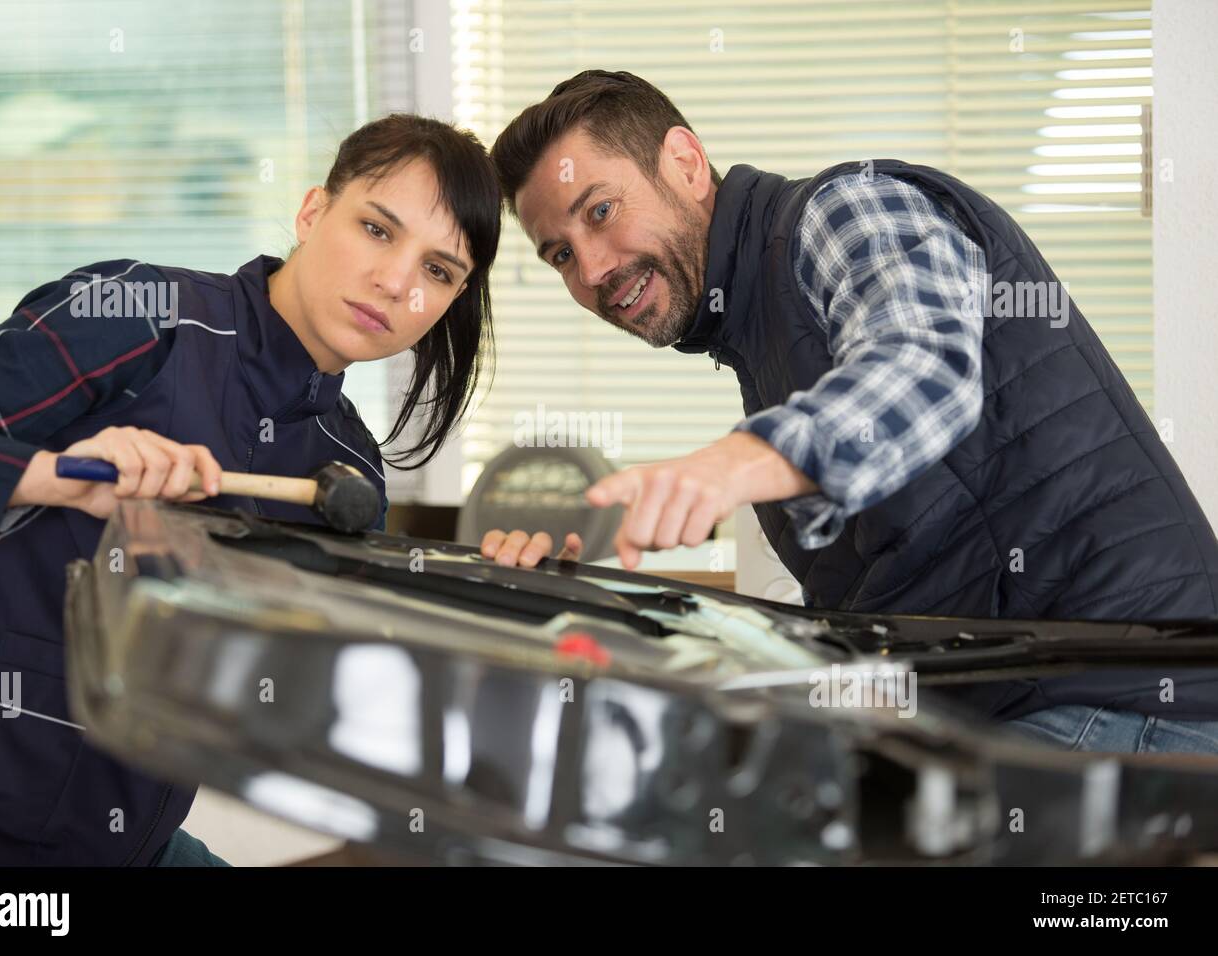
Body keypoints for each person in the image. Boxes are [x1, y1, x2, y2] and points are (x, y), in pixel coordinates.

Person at [481, 70, 1218, 756]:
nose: (594, 269)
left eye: (601, 212)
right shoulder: (757, 339)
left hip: (1125, 699)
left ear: (685, 163)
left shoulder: (845, 210)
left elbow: (919, 366)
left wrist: (734, 465)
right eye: (560, 256)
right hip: (1015, 706)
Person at [0, 114, 504, 865]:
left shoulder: (346, 465)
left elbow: (290, 697)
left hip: (135, 845)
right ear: (312, 211)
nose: (396, 283)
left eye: (438, 272)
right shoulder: (138, 316)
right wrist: (56, 477)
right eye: (377, 229)